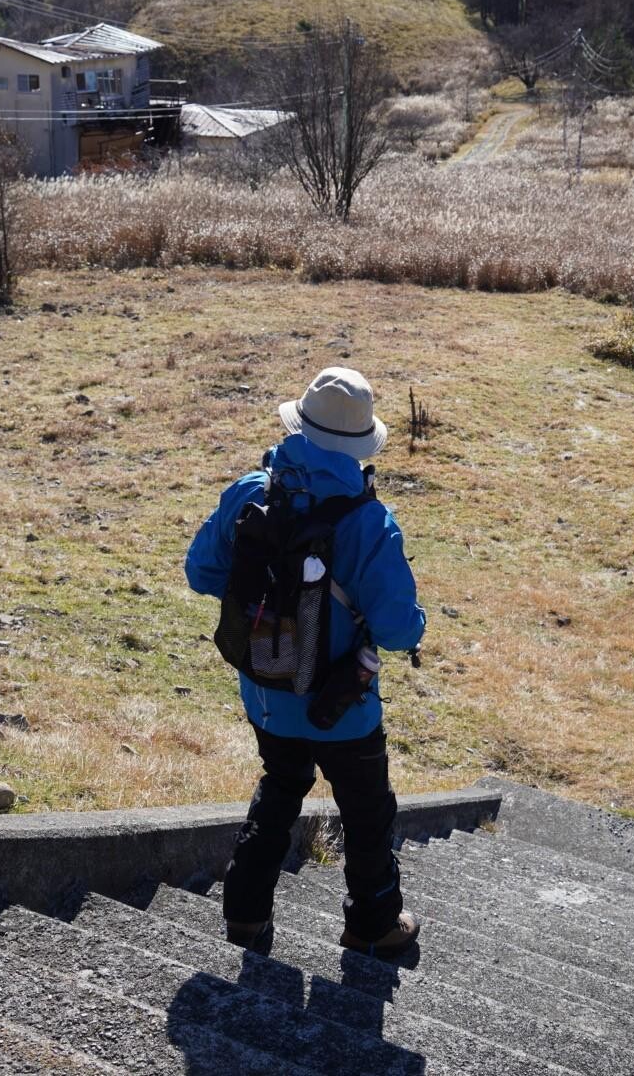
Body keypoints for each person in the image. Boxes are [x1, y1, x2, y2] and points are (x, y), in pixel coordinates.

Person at [185, 367, 426, 958]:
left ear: (299, 426)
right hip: (343, 706)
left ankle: (245, 919)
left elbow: (201, 573)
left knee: (280, 787)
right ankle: (372, 924)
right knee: (367, 811)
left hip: (266, 690)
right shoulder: (370, 521)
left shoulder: (250, 492)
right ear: (360, 443)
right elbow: (397, 630)